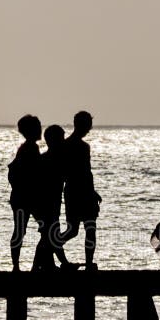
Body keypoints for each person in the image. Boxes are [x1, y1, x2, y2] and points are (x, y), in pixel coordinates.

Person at [59, 111, 101, 271]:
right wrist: (91, 192)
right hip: (82, 192)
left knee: (73, 230)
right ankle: (89, 263)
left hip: (71, 191)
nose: (89, 129)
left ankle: (52, 247)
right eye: (88, 126)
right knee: (89, 229)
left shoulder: (64, 145)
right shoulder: (83, 147)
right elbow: (85, 172)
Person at [32, 125, 78, 271]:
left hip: (50, 203)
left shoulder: (47, 159)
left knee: (48, 235)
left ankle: (48, 265)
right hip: (46, 203)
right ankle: (42, 266)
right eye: (61, 138)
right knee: (49, 235)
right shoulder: (50, 159)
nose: (64, 141)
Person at [8, 114, 41, 271]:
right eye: (38, 126)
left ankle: (26, 265)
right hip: (25, 198)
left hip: (24, 197)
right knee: (25, 230)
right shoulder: (30, 148)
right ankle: (18, 266)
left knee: (23, 230)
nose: (41, 129)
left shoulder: (27, 148)